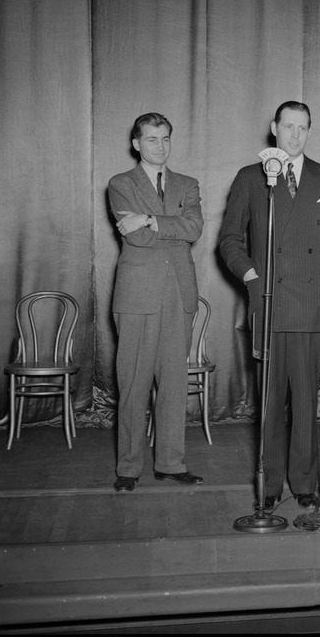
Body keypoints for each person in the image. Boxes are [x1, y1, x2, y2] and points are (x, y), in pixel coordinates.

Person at [218, 101, 320, 509]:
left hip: (312, 303)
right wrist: (252, 276)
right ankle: (271, 484)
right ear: (274, 127)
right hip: (271, 303)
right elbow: (229, 241)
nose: (295, 135)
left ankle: (305, 481)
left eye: (303, 127)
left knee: (308, 399)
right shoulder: (251, 177)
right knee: (271, 401)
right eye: (288, 126)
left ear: (310, 131)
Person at [109, 112, 205, 492]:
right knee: (133, 383)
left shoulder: (188, 184)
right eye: (151, 139)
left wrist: (148, 218)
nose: (160, 145)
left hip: (179, 293)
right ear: (136, 143)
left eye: (165, 138)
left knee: (174, 383)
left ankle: (170, 462)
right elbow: (137, 240)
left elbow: (194, 229)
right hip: (137, 295)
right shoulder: (120, 184)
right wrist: (167, 226)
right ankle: (128, 468)